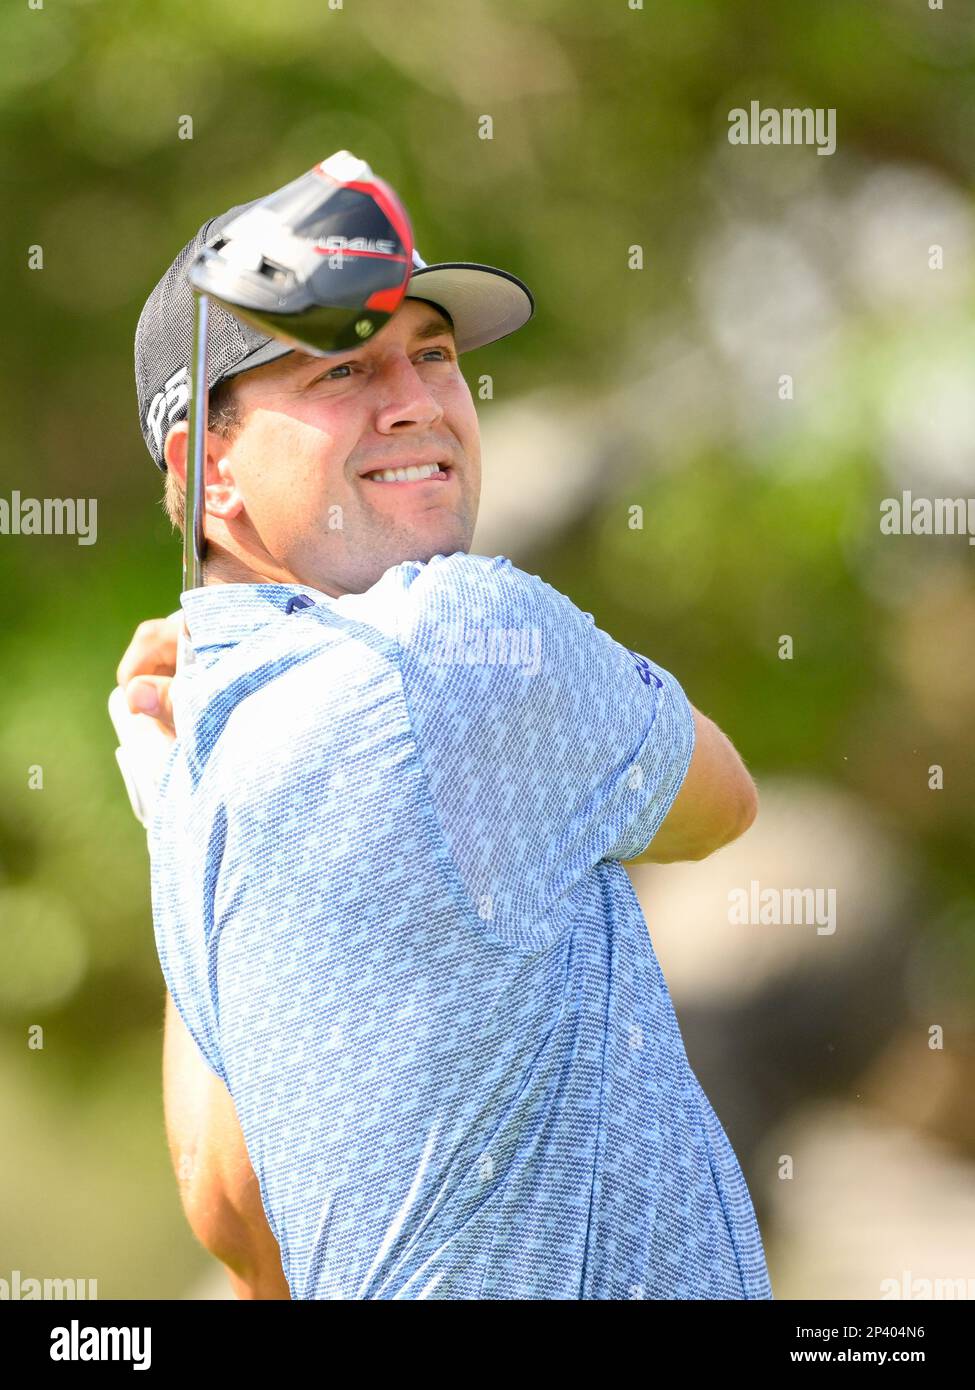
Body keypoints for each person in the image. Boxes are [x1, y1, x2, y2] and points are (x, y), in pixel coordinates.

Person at [117, 186, 772, 1301]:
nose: (418, 401)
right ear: (208, 468)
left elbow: (234, 1218)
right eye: (344, 368)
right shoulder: (462, 635)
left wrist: (177, 801)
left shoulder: (190, 767)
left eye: (431, 354)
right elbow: (721, 802)